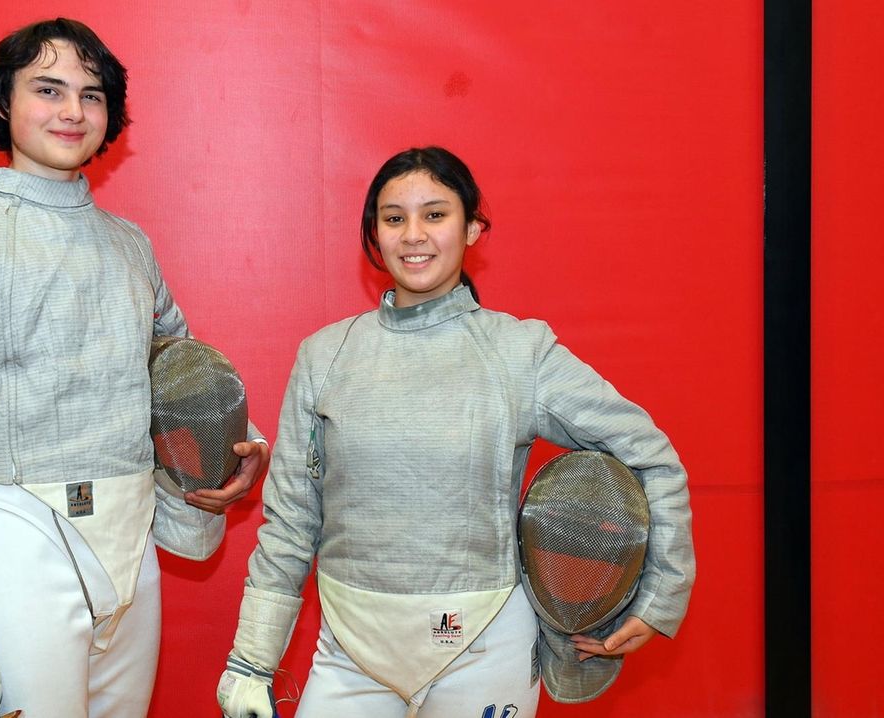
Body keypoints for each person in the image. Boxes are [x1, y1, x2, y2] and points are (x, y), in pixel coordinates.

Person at [216, 147, 694, 718]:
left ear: (472, 228)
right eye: (394, 219)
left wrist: (661, 593)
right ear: (375, 233)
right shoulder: (325, 355)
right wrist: (252, 658)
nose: (413, 235)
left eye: (435, 215)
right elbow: (293, 517)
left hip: (485, 644)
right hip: (351, 646)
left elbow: (650, 456)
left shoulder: (520, 351)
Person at [0, 18, 270, 718]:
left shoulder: (128, 246)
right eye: (48, 89)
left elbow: (182, 376)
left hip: (128, 540)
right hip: (16, 537)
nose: (71, 112)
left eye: (91, 95)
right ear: (2, 102)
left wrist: (235, 451)